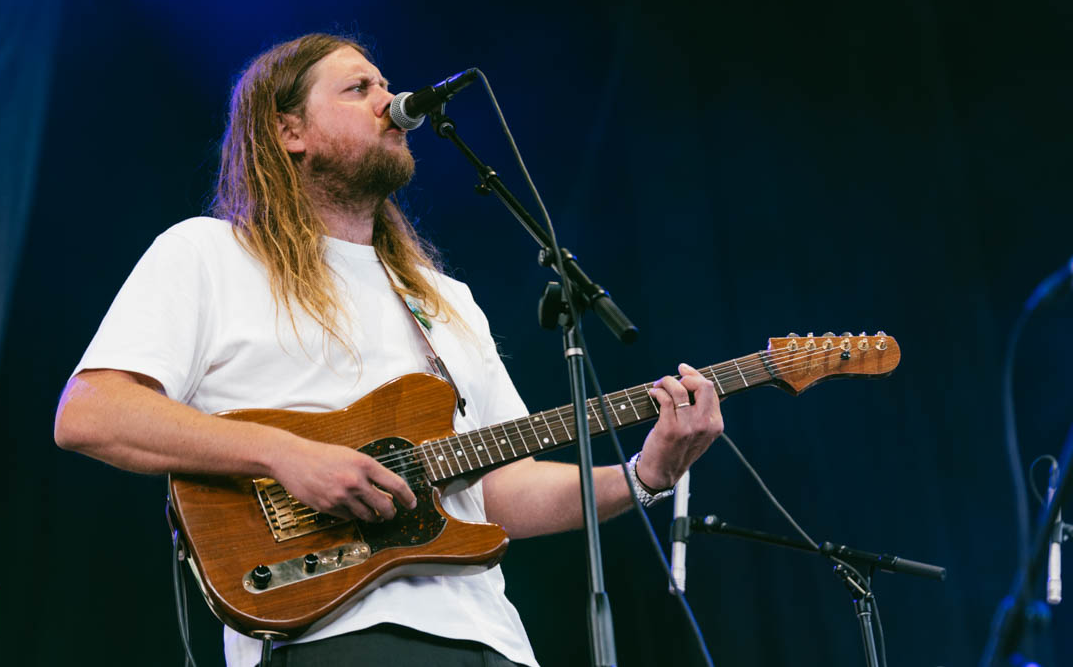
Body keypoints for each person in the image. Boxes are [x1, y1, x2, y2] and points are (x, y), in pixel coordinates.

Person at [54, 33, 724, 667]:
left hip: (495, 639)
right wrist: (284, 452)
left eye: (386, 84)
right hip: (327, 631)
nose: (389, 99)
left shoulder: (444, 297)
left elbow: (498, 488)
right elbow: (91, 410)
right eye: (357, 88)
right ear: (289, 132)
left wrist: (645, 474)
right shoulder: (209, 253)